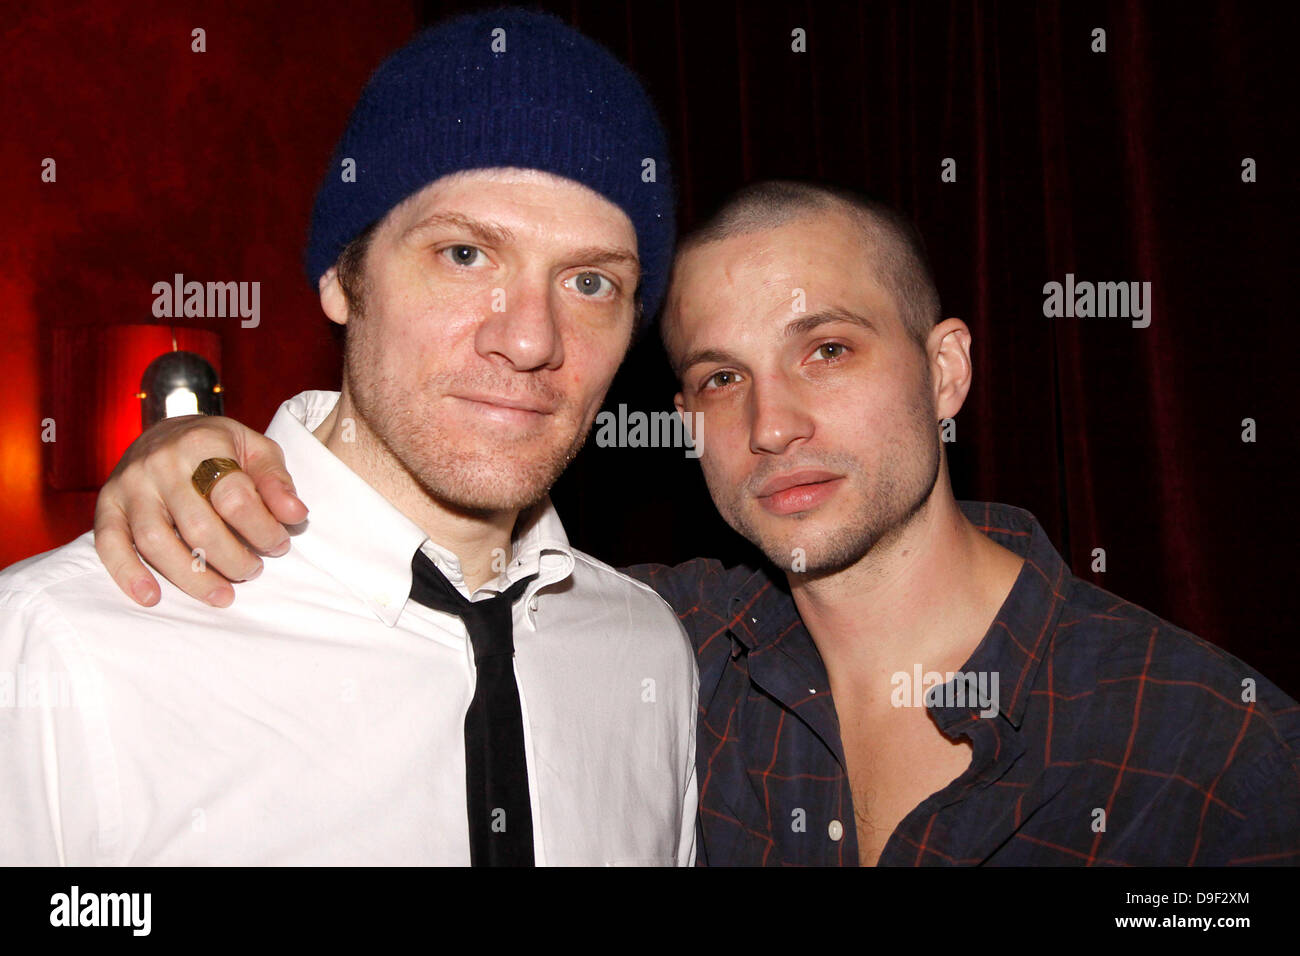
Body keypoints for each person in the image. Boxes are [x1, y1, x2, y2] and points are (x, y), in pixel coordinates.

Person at [90, 178, 1300, 866]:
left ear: (943, 373)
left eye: (825, 347)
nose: (771, 422)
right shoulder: (655, 652)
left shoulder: (1212, 750)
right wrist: (194, 449)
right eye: (720, 377)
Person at [0, 9, 698, 866]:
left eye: (590, 281)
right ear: (341, 275)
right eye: (465, 256)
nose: (529, 339)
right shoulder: (65, 643)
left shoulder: (647, 654)